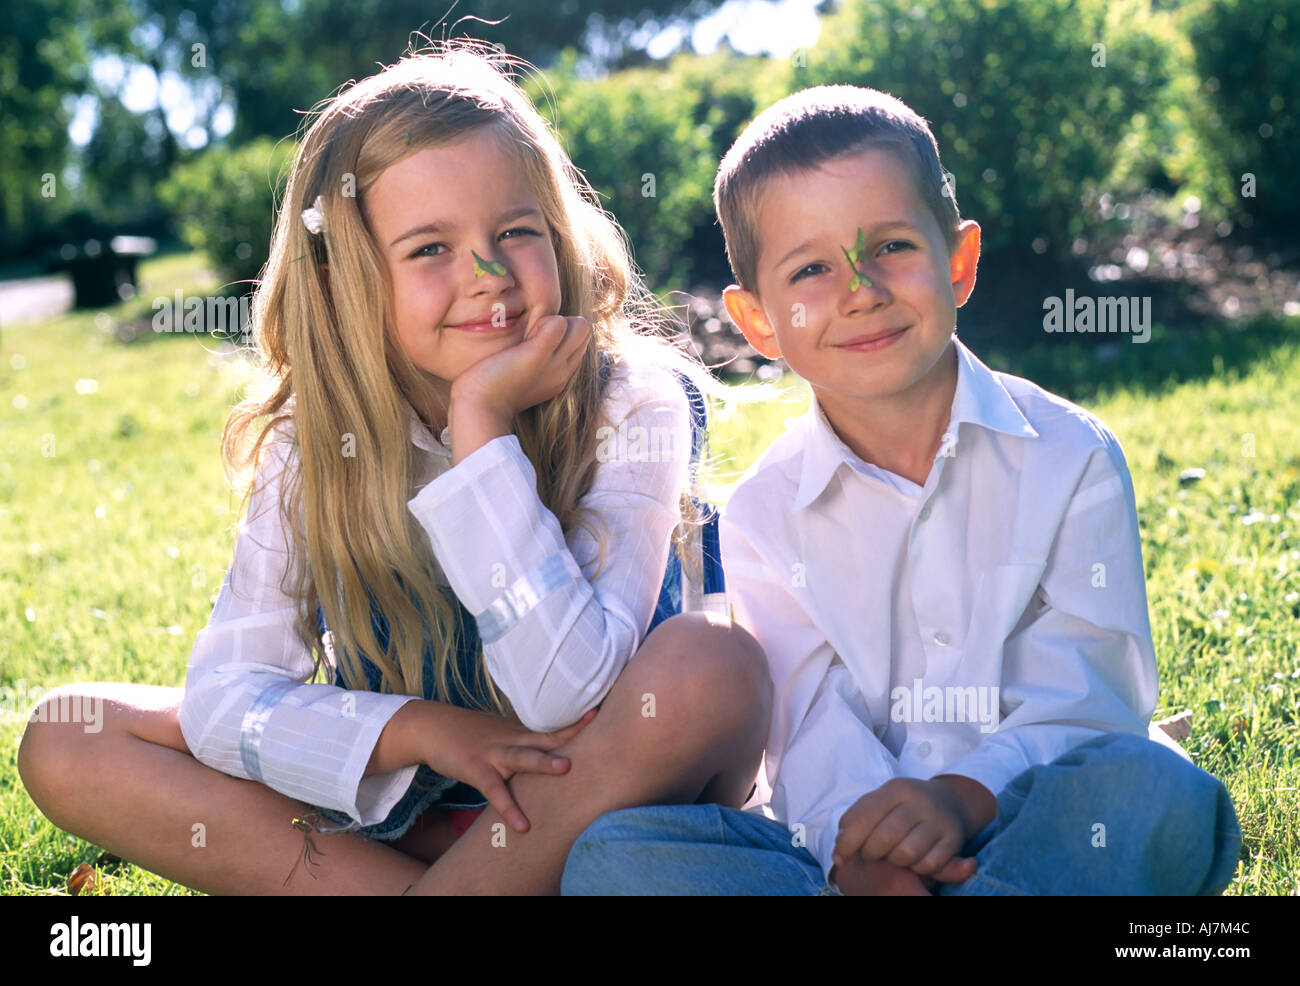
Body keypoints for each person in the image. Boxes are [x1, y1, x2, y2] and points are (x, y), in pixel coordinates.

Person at [17, 43, 771, 896]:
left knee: (715, 666)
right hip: (408, 826)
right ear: (348, 281)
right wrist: (421, 731)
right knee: (69, 732)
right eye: (429, 250)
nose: (487, 276)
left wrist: (480, 428)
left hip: (596, 805)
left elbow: (567, 690)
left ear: (560, 236)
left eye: (515, 233)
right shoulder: (316, 446)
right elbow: (225, 695)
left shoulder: (632, 400)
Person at [562, 85, 1242, 896]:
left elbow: (1091, 691)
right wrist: (867, 854)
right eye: (811, 268)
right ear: (760, 323)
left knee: (1162, 795)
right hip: (843, 861)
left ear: (958, 262)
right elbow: (810, 731)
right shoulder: (761, 515)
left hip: (1030, 817)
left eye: (890, 246)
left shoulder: (1069, 456)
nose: (861, 289)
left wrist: (956, 799)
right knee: (615, 859)